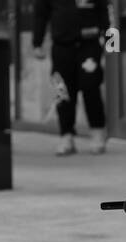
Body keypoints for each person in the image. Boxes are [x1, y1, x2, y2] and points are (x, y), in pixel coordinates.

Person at [32, 0, 109, 155]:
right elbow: (40, 15)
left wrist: (112, 47)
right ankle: (66, 136)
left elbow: (107, 14)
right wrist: (37, 43)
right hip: (61, 47)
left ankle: (98, 133)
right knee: (62, 92)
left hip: (89, 46)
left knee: (91, 87)